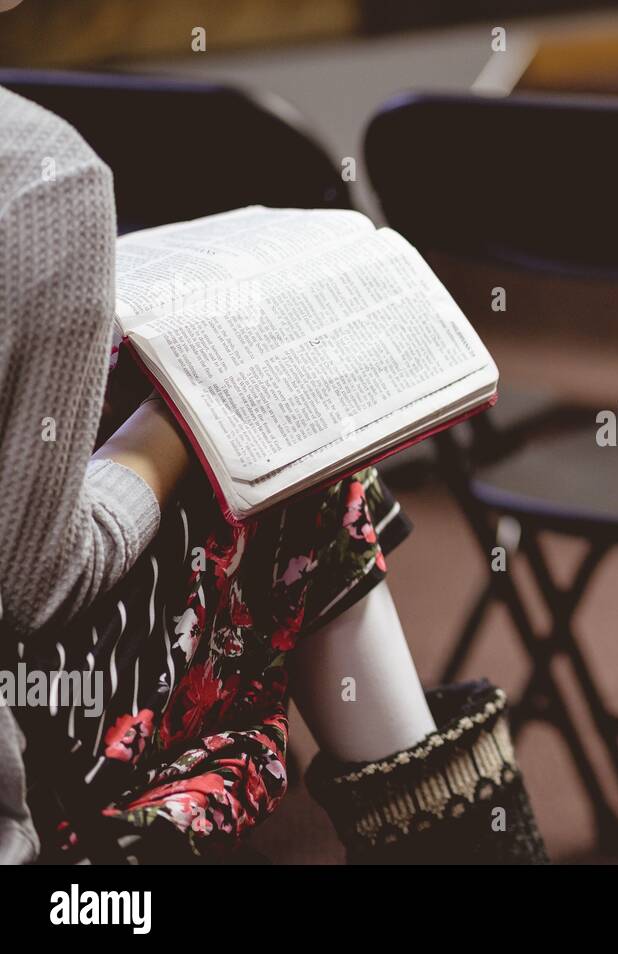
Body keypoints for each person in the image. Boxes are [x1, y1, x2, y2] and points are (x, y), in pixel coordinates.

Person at [0, 85, 545, 863]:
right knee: (308, 477)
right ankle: (456, 839)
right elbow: (36, 582)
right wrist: (181, 416)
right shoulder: (38, 171)